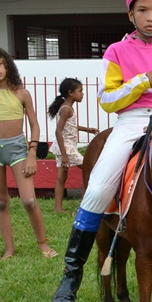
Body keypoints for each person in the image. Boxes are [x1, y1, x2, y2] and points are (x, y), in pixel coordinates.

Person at [52, 0, 152, 302]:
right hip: (128, 124)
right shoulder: (116, 51)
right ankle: (72, 272)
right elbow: (108, 100)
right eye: (143, 10)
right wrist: (145, 81)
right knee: (97, 188)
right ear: (131, 14)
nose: (151, 16)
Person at [0, 47, 58, 260]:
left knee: (29, 200)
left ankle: (43, 245)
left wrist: (32, 153)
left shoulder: (21, 93)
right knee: (0, 202)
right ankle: (9, 249)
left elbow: (35, 125)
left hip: (18, 149)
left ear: (7, 64)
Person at [47, 78, 99, 215]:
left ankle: (58, 208)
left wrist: (87, 129)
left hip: (63, 147)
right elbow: (58, 131)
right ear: (70, 93)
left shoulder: (66, 108)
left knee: (61, 177)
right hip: (67, 148)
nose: (82, 94)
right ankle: (84, 206)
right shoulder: (66, 109)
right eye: (80, 91)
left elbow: (69, 127)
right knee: (91, 170)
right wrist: (65, 155)